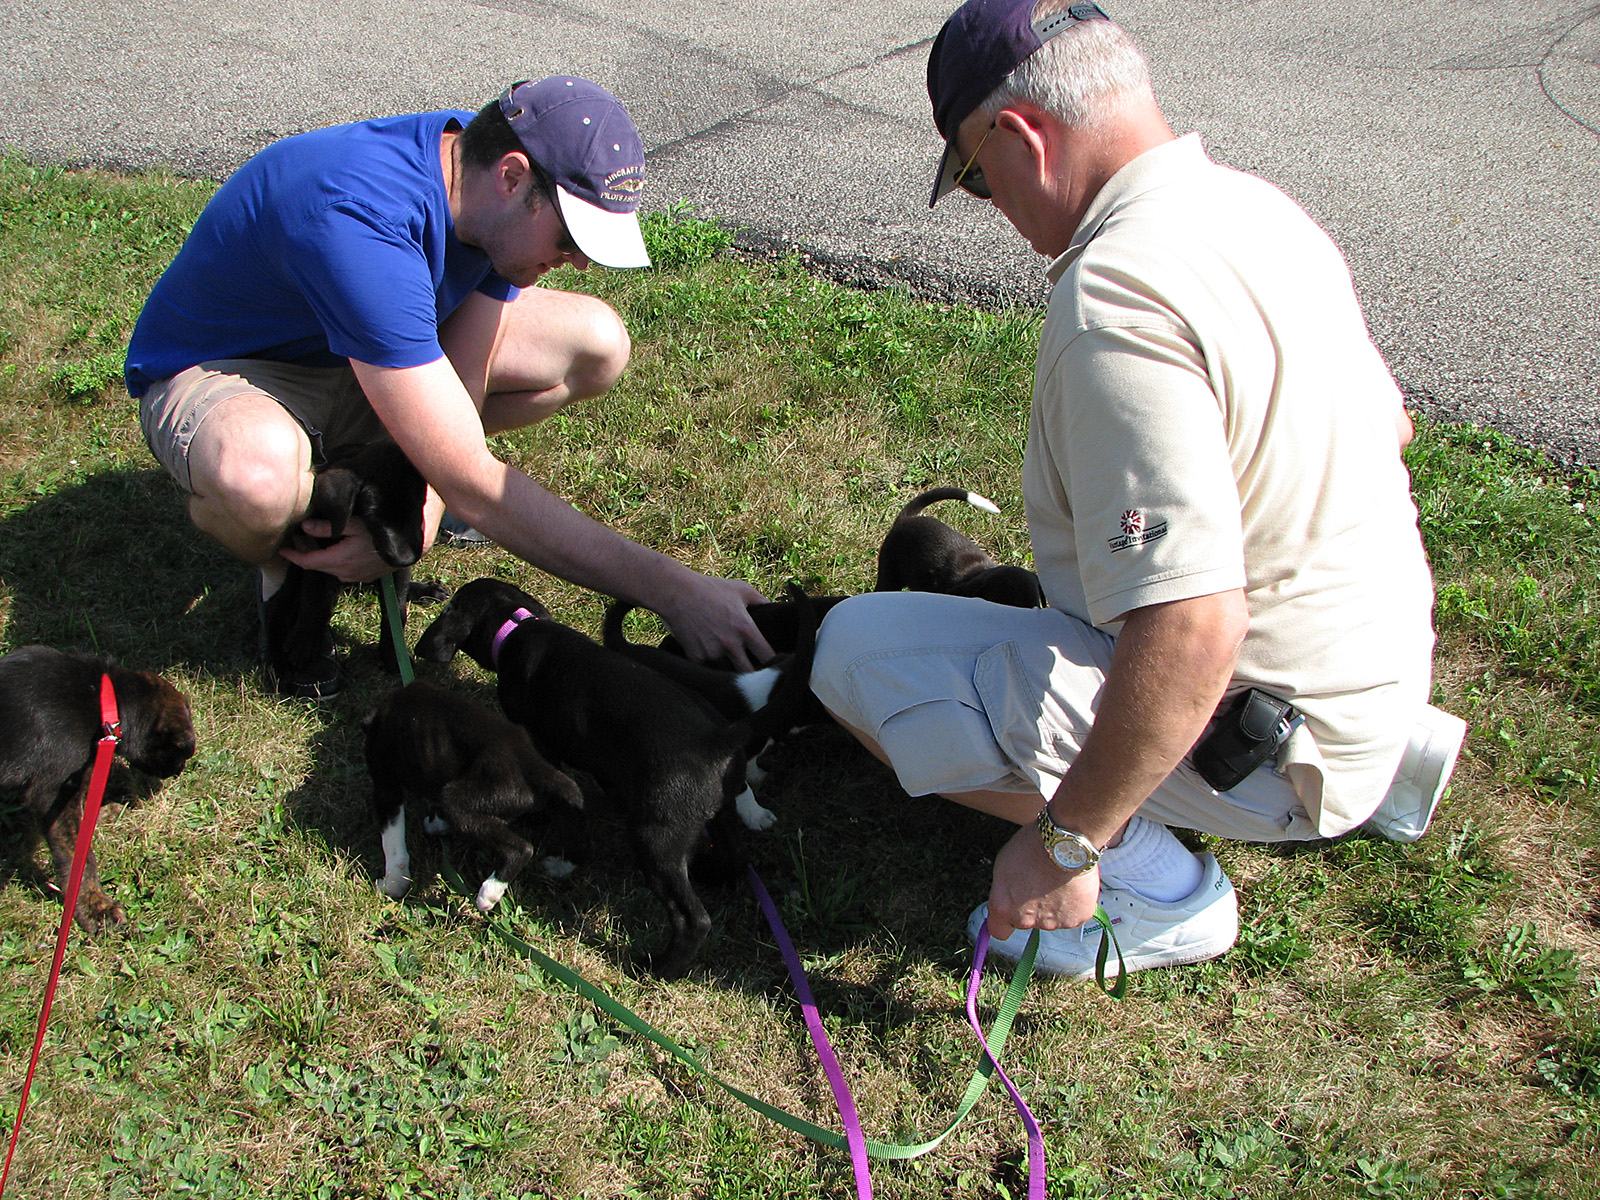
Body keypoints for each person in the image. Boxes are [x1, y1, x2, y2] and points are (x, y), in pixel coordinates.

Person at [809, 0, 1464, 978]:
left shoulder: (1116, 293)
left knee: (851, 655)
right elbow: (1389, 423)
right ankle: (1331, 754)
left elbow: (1194, 625)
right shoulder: (1256, 207)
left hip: (1267, 738)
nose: (999, 209)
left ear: (1021, 138)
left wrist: (1064, 842)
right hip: (1369, 687)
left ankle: (1157, 888)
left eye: (980, 180)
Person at [126, 76, 773, 699]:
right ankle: (288, 568)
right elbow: (474, 479)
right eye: (571, 235)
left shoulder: (479, 190)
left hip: (362, 358)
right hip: (236, 372)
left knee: (597, 344)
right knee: (258, 479)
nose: (578, 261)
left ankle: (354, 480)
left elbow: (462, 392)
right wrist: (677, 592)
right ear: (514, 175)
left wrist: (422, 508)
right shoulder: (362, 216)